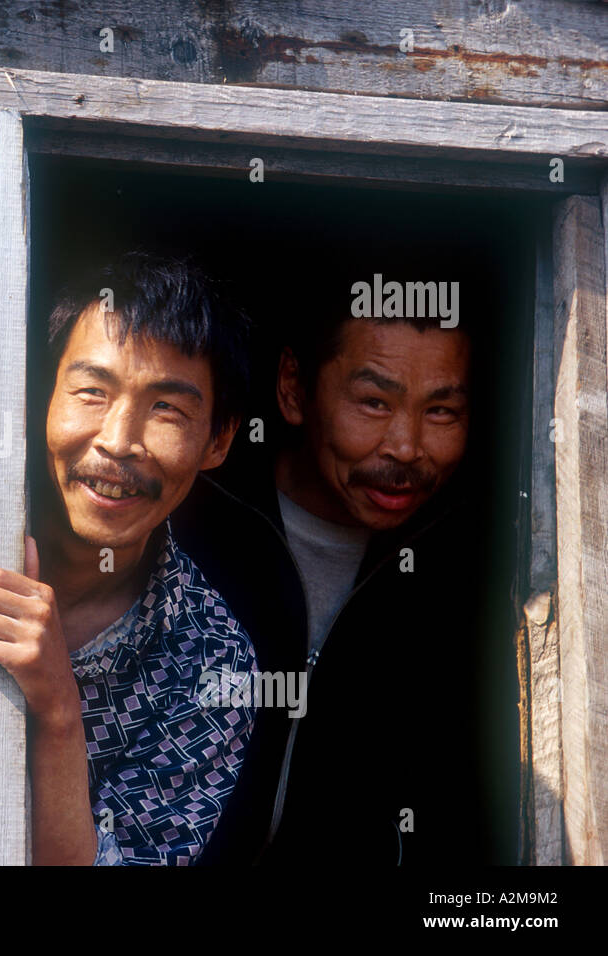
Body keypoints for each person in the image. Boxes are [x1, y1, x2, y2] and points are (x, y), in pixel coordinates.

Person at [180, 265, 515, 864]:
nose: (407, 446)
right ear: (292, 387)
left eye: (442, 412)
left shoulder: (471, 570)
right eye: (373, 401)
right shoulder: (193, 519)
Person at [0, 252, 258, 864]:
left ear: (219, 439)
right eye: (92, 392)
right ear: (39, 397)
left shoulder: (212, 661)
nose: (118, 441)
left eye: (166, 409)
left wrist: (58, 707)